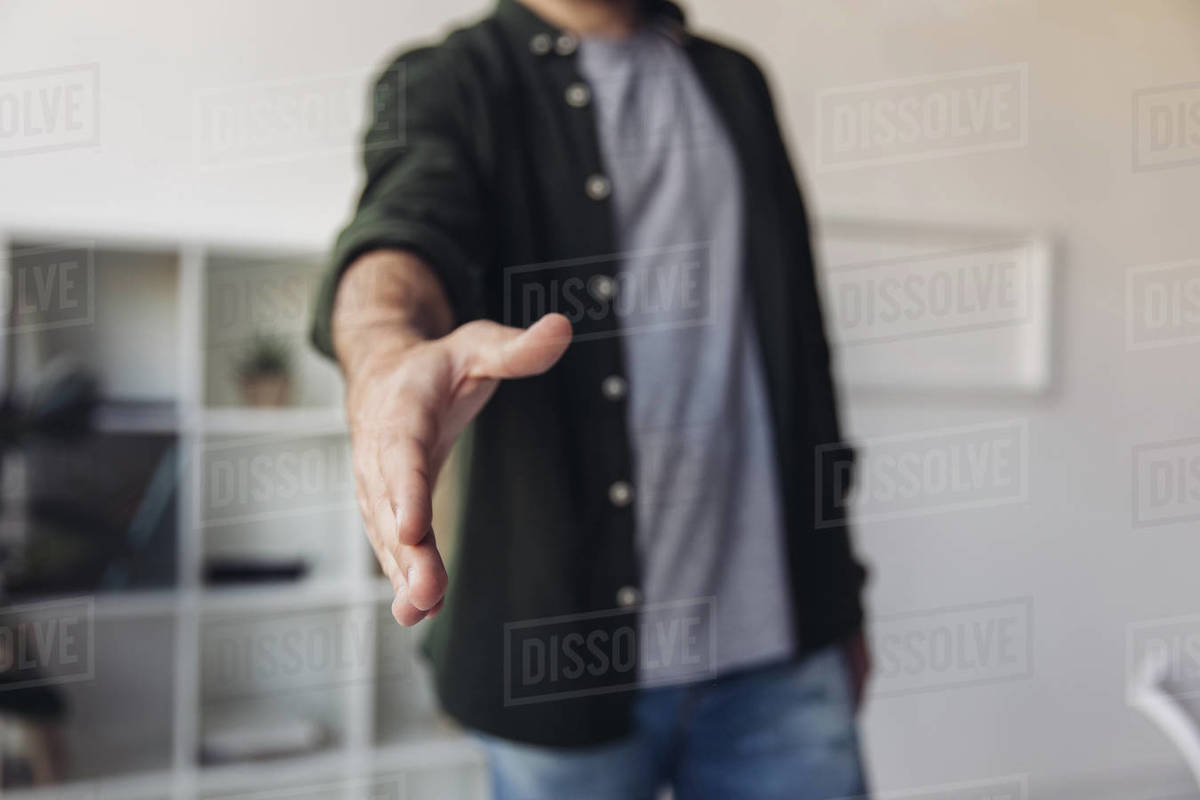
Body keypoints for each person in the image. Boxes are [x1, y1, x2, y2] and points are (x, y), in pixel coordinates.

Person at [310, 0, 871, 797]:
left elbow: (802, 353)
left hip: (784, 652)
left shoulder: (736, 81)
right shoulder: (450, 78)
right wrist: (382, 351)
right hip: (556, 667)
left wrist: (842, 595)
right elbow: (403, 226)